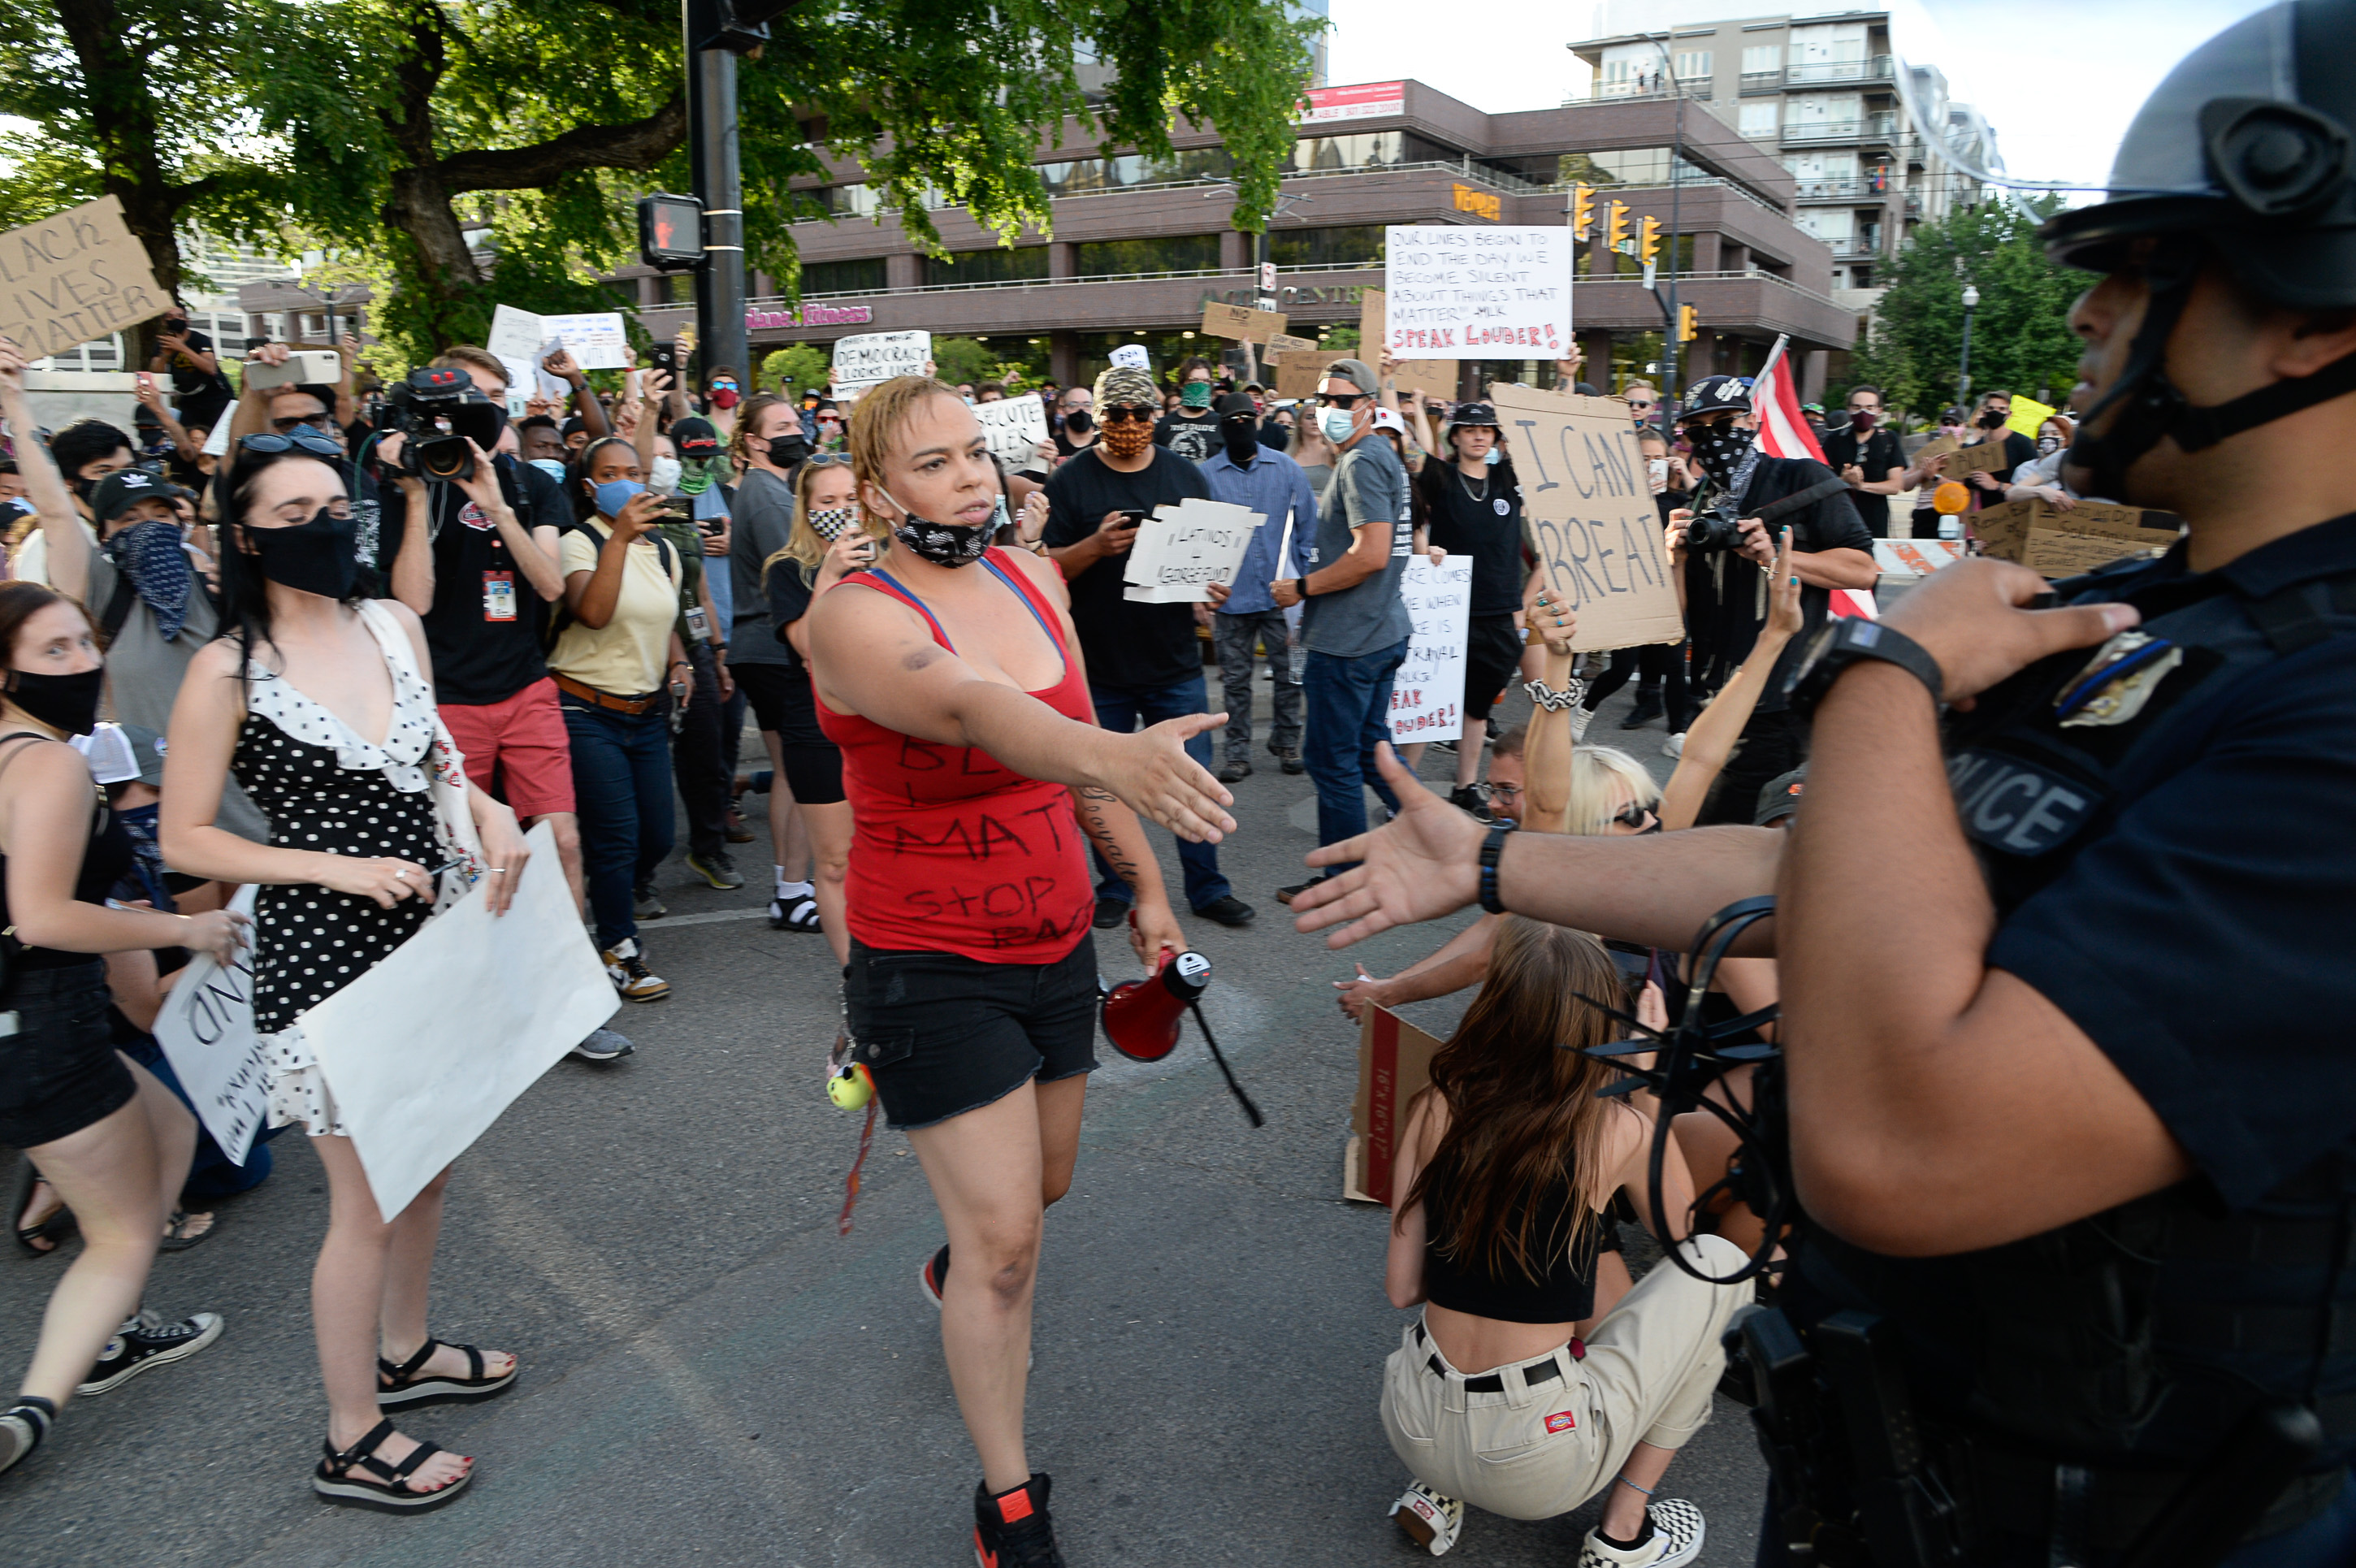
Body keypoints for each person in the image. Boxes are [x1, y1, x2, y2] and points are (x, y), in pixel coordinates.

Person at [1301, 7, 2356, 1558]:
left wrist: (1883, 675)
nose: (2090, 318)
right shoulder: (2193, 639)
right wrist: (1500, 867)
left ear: (2317, 317)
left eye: (2146, 268)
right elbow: (1849, 896)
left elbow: (1903, 1152)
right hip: (1931, 1467)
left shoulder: (2325, 717)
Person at [808, 375, 1233, 1566]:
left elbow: (1079, 767)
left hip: (1056, 937)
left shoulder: (1033, 575)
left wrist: (1146, 890)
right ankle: (1008, 1501)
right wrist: (1113, 750)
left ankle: (961, 1252)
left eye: (976, 454)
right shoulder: (850, 609)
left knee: (1035, 1196)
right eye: (935, 463)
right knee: (1005, 1251)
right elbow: (971, 707)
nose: (971, 478)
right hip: (924, 960)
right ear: (880, 490)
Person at [161, 432, 532, 1513]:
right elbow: (186, 839)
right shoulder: (224, 669)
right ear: (244, 538)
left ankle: (405, 1347)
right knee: (364, 1197)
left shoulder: (393, 623)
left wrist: (490, 807)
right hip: (322, 950)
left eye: (336, 502)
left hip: (432, 928)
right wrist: (333, 866)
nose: (325, 525)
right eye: (294, 514)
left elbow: (441, 762)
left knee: (428, 1162)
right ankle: (351, 1430)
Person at [1380, 916, 1748, 1565]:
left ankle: (1439, 1490)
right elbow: (1687, 1238)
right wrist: (1648, 1080)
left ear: (1494, 1003)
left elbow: (1402, 1287)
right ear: (1601, 1017)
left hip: (1410, 1419)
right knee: (1722, 1267)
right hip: (1538, 1458)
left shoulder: (1438, 1101)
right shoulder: (1616, 1128)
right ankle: (1624, 1532)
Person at [0, 581, 242, 1480]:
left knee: (174, 1127)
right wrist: (183, 928)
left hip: (38, 1027)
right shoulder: (48, 764)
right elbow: (45, 918)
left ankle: (111, 1312)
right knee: (124, 1231)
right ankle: (40, 1400)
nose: (83, 663)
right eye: (52, 650)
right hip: (44, 1023)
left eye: (84, 642)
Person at [379, 349, 623, 1060]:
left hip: (524, 689)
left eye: (486, 404)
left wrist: (494, 505)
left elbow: (551, 586)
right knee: (468, 856)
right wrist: (423, 492)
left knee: (564, 840)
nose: (469, 423)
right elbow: (412, 602)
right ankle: (476, 1004)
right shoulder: (403, 489)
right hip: (445, 701)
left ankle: (569, 1000)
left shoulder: (527, 482)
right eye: (453, 411)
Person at [1043, 366, 1255, 929]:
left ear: (1156, 416)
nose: (1130, 424)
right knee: (1100, 785)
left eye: (1141, 415)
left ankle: (1208, 888)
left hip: (1173, 662)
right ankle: (1115, 885)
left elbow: (1211, 562)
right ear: (1100, 416)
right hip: (1098, 664)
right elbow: (1043, 567)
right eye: (1117, 415)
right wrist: (1095, 545)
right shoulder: (1071, 481)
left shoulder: (1184, 475)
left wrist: (1213, 586)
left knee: (1192, 781)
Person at [1667, 375, 1875, 825]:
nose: (1713, 440)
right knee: (1712, 840)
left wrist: (1779, 557)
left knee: (1738, 838)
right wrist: (1677, 560)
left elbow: (1863, 569)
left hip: (1778, 705)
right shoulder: (1697, 507)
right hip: (1713, 702)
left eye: (1725, 423)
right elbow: (1673, 622)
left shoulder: (1801, 479)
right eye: (1699, 432)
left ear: (1753, 420)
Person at [1271, 358, 1418, 901]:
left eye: (1342, 400)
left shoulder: (1361, 461)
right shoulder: (1381, 456)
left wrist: (1301, 590)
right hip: (1378, 631)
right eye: (1323, 399)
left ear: (1370, 406)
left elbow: (1371, 554)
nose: (1329, 409)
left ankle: (1345, 879)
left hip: (1351, 641)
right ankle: (1438, 836)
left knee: (1333, 761)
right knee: (1370, 750)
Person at [553, 437, 691, 1002]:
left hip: (647, 713)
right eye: (611, 473)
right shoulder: (576, 544)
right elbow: (595, 611)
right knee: (616, 837)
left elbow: (665, 618)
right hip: (586, 710)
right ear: (589, 487)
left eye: (634, 471)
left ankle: (613, 895)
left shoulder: (662, 550)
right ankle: (619, 948)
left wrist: (681, 660)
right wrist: (618, 539)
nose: (627, 481)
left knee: (656, 833)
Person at [759, 457, 868, 964]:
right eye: (826, 503)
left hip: (880, 724)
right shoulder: (788, 568)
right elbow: (806, 645)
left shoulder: (887, 557)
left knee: (889, 855)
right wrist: (829, 574)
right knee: (836, 862)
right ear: (806, 509)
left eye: (849, 499)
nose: (840, 511)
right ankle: (856, 975)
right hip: (817, 729)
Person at [724, 394, 822, 930]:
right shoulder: (765, 496)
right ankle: (792, 888)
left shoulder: (771, 489)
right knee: (804, 770)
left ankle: (792, 884)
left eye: (795, 422)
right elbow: (799, 564)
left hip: (763, 646)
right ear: (753, 441)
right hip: (773, 646)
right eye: (781, 425)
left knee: (791, 769)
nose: (794, 430)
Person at [1414, 402, 1529, 814]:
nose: (1479, 436)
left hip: (1498, 611)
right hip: (1446, 608)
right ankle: (1403, 792)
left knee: (1477, 707)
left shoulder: (1508, 477)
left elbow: (1541, 438)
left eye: (1487, 430)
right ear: (1455, 436)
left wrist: (1566, 380)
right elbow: (1407, 448)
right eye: (1469, 429)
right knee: (1430, 703)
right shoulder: (1439, 478)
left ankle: (1465, 787)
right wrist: (1391, 383)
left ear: (1497, 437)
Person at [1202, 392, 1316, 783]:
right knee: (1235, 680)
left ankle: (1286, 742)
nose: (1240, 428)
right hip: (1231, 597)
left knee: (1290, 674)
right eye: (1231, 422)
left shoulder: (1286, 469)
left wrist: (1304, 585)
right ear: (1220, 427)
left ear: (1258, 421)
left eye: (1245, 420)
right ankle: (1237, 753)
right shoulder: (1206, 475)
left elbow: (1308, 530)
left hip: (1281, 595)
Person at [1819, 384, 1908, 538]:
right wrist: (1843, 481)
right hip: (1839, 516)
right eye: (1857, 407)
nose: (1863, 413)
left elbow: (1895, 485)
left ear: (1879, 411)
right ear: (1849, 409)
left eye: (1869, 407)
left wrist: (1861, 486)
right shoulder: (1835, 439)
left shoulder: (1888, 439)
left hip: (1875, 519)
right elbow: (1821, 481)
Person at [148, 304, 233, 436]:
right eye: (170, 317)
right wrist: (165, 355)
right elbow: (156, 373)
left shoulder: (200, 340)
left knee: (217, 435)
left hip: (214, 398)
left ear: (187, 320)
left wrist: (182, 348)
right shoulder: (162, 343)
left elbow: (210, 368)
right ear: (164, 321)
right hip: (188, 399)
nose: (175, 319)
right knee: (189, 434)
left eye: (179, 316)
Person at [1154, 357, 1223, 462]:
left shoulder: (1221, 424)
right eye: (1194, 380)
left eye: (1206, 381)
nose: (1200, 385)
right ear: (1182, 384)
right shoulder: (1162, 425)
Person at [1050, 384, 1095, 460]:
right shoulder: (1052, 447)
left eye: (1087, 405)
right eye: (1073, 405)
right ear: (1063, 411)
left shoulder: (1106, 446)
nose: (1081, 410)